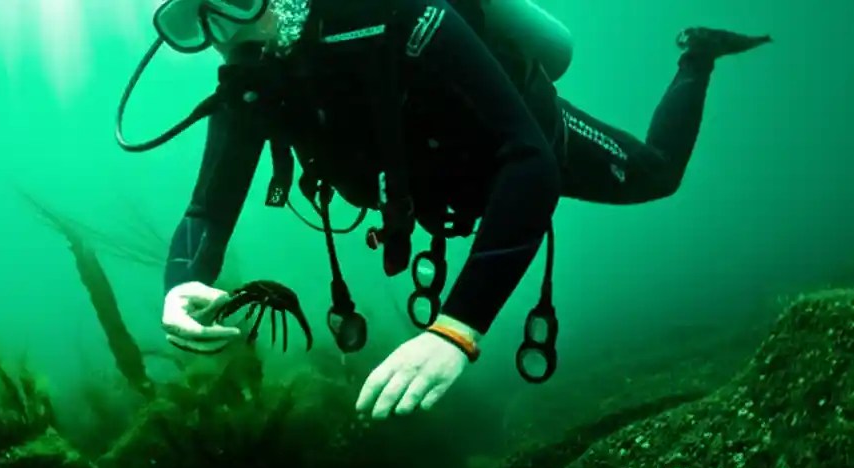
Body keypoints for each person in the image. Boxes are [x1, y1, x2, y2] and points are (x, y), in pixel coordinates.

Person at [144, 0, 770, 420]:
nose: (229, 34)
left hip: (522, 137)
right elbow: (207, 208)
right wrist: (179, 285)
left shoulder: (399, 16)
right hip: (442, 187)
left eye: (234, 0)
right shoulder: (255, 88)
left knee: (656, 173)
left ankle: (696, 54)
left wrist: (457, 329)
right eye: (195, 22)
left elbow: (530, 161)